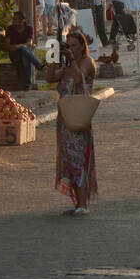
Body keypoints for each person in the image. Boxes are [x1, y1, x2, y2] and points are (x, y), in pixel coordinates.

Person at [48, 30, 98, 215]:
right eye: (68, 45)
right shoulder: (67, 66)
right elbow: (50, 78)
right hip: (64, 120)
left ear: (82, 46)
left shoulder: (87, 62)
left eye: (74, 46)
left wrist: (72, 60)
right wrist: (54, 55)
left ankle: (83, 204)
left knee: (79, 160)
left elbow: (80, 79)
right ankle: (78, 204)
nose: (71, 49)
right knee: (68, 160)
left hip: (80, 116)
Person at [4, 11, 44, 90]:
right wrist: (21, 46)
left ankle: (27, 85)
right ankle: (39, 65)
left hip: (24, 54)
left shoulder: (29, 28)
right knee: (24, 51)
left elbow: (29, 43)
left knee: (24, 56)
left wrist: (18, 46)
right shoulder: (10, 29)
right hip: (14, 55)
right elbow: (8, 46)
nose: (13, 21)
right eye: (13, 19)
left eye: (15, 19)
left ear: (22, 21)